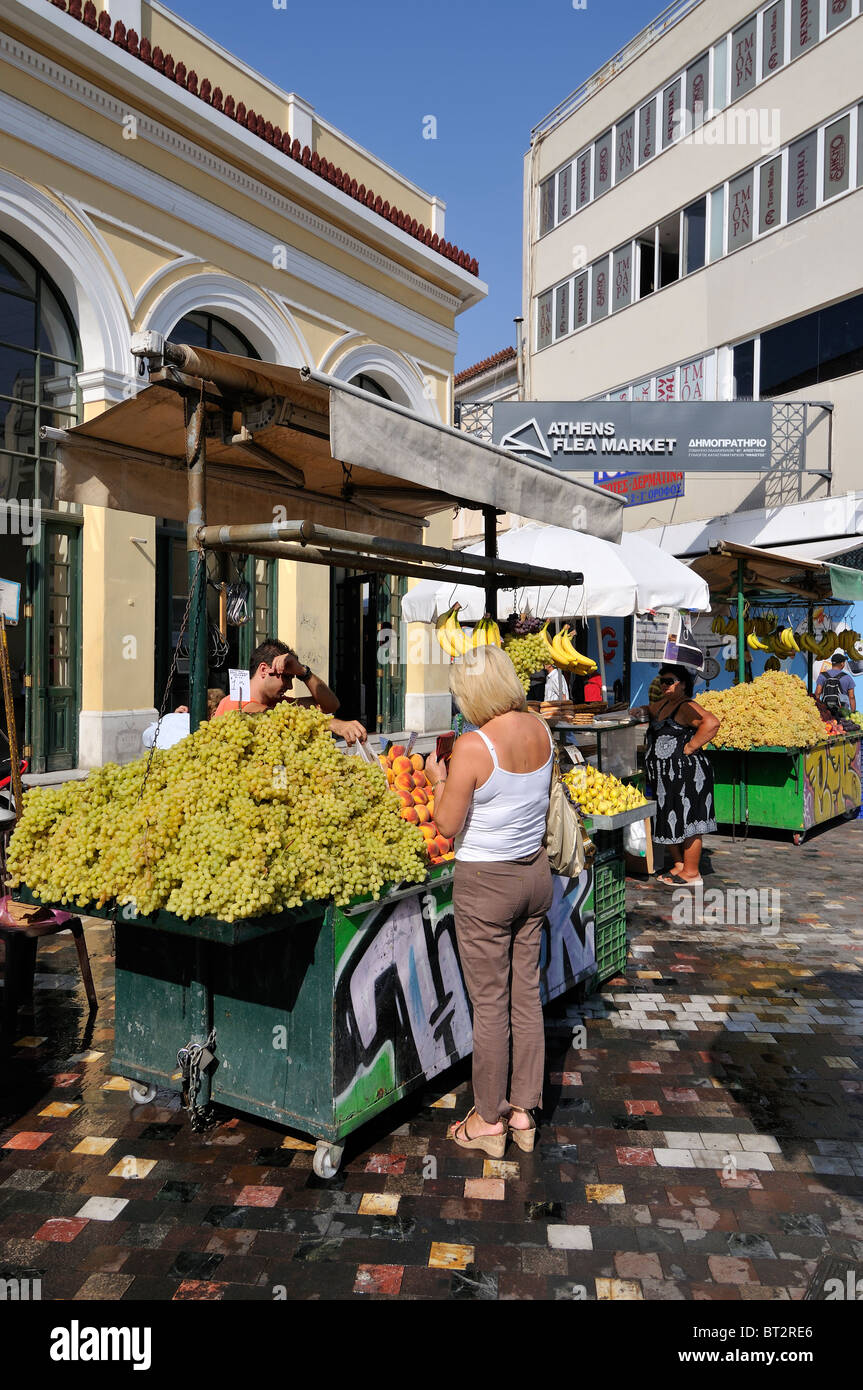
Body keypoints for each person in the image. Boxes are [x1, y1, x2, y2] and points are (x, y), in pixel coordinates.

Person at [425, 646, 554, 1159]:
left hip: (486, 885)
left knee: (490, 1004)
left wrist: (438, 779)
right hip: (535, 875)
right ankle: (524, 1111)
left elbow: (447, 824)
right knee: (526, 996)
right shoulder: (542, 730)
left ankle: (487, 1119)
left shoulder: (475, 747)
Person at [639, 663, 720, 887]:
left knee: (689, 820)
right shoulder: (664, 704)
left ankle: (692, 873)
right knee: (669, 818)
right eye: (662, 681)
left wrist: (691, 746)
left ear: (683, 685)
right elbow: (650, 710)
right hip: (666, 777)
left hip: (688, 775)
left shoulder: (686, 706)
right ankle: (680, 865)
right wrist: (639, 711)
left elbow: (711, 723)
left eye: (670, 681)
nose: (664, 685)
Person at [213, 638, 367, 745]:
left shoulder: (279, 704)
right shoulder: (236, 701)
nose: (290, 686)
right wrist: (331, 724)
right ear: (263, 670)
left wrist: (303, 672)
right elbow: (266, 715)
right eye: (286, 677)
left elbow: (330, 705)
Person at [142, 688, 224, 750]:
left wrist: (172, 717)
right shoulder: (204, 735)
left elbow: (146, 736)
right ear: (213, 714)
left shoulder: (173, 717)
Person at [814, 650, 857, 716]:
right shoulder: (847, 677)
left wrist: (817, 709)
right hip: (842, 712)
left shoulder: (822, 675)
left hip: (826, 711)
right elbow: (851, 697)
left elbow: (818, 693)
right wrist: (853, 712)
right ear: (842, 664)